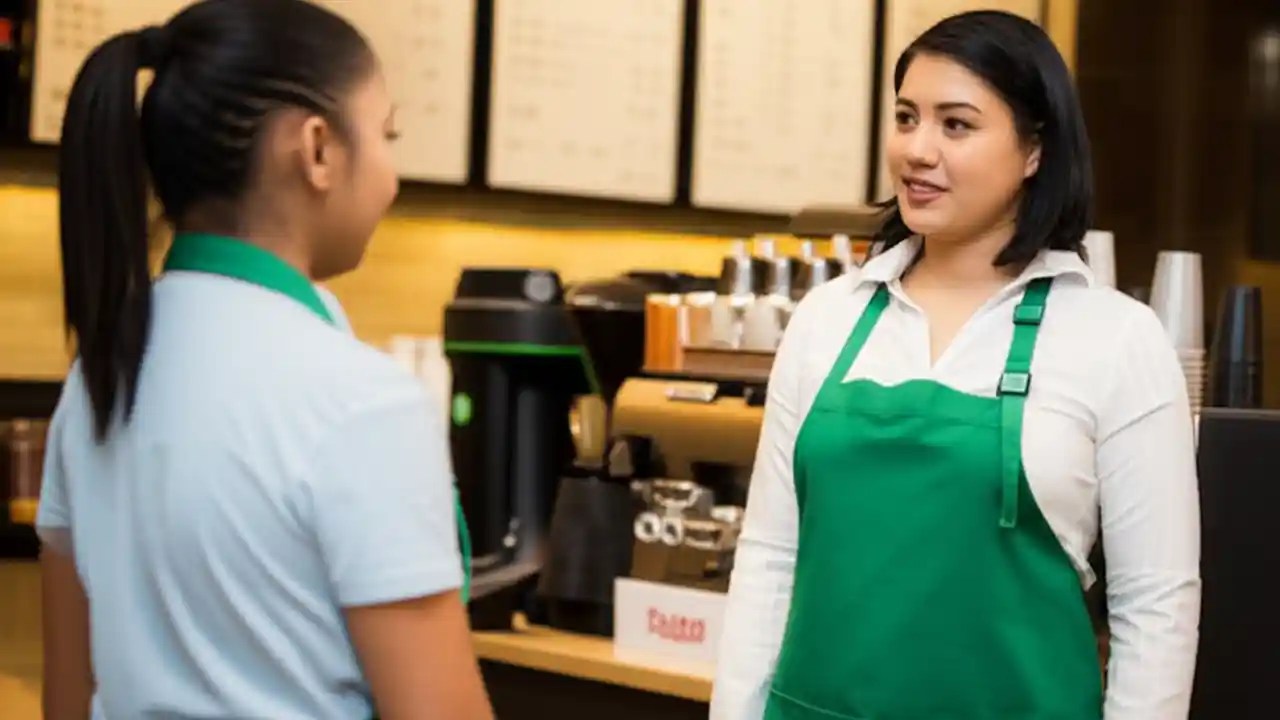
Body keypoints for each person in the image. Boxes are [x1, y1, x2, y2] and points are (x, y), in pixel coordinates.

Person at [710, 11, 1200, 720]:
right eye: (906, 117)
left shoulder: (1114, 339)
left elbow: (1157, 606)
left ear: (1034, 149)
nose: (917, 149)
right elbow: (768, 559)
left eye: (956, 124)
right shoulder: (828, 318)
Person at [35, 1, 493, 718]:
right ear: (317, 149)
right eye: (386, 133)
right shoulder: (360, 401)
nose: (394, 177)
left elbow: (66, 699)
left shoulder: (94, 381)